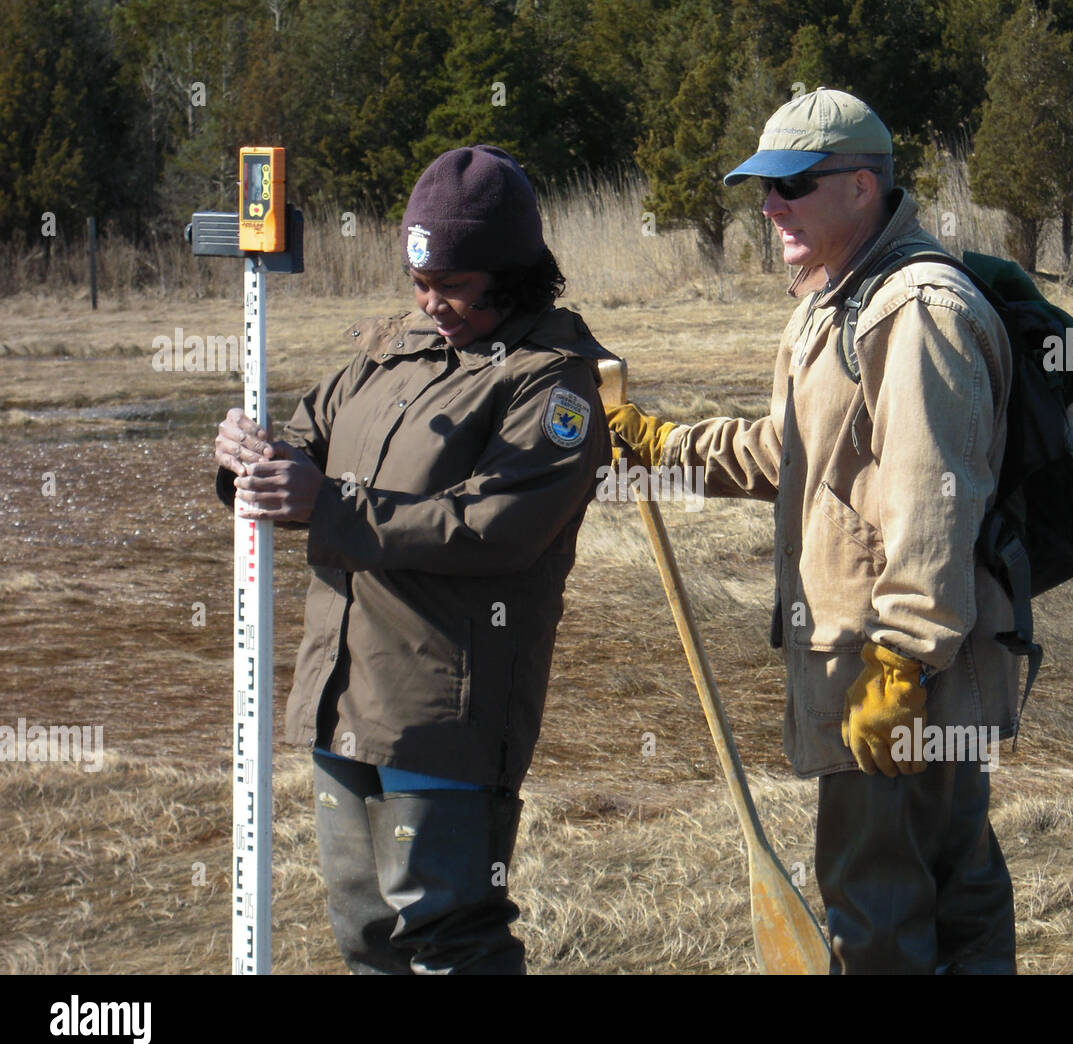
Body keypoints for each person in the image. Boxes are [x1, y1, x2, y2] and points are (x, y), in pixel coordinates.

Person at [606, 88, 1019, 974]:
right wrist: (669, 448)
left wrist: (902, 659)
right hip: (880, 669)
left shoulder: (917, 309)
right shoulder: (836, 300)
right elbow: (797, 456)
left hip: (898, 679)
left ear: (863, 186)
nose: (769, 206)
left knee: (882, 910)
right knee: (946, 891)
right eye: (763, 187)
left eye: (792, 184)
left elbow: (933, 495)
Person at [212, 144, 612, 974]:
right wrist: (249, 460)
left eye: (457, 288)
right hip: (341, 693)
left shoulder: (554, 382)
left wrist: (327, 504)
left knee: (446, 934)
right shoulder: (390, 348)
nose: (435, 305)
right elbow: (307, 432)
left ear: (513, 274)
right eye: (421, 285)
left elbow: (497, 527)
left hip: (445, 714)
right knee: (365, 934)